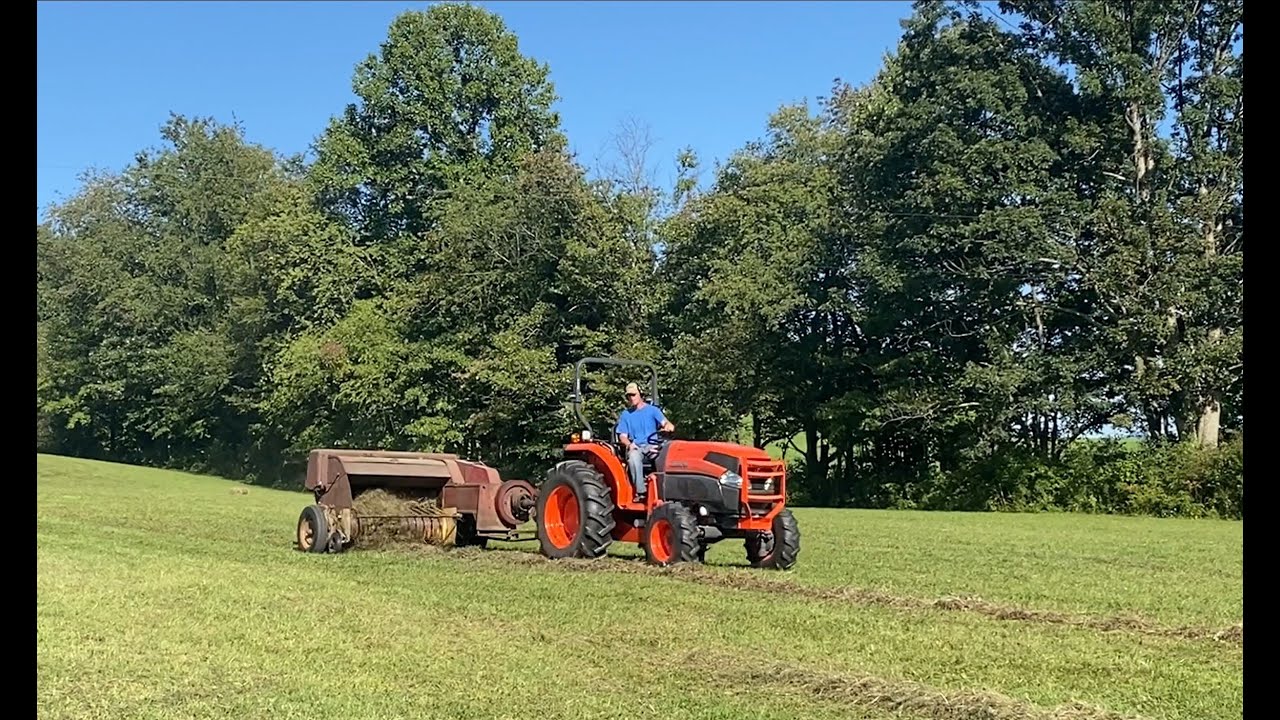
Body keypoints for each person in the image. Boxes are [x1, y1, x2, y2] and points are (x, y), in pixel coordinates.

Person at [614, 381, 674, 502]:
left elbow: (666, 423)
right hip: (638, 447)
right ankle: (641, 492)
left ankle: (667, 490)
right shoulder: (626, 415)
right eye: (628, 396)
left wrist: (668, 426)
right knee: (633, 456)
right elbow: (623, 436)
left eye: (633, 394)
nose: (631, 398)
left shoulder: (653, 410)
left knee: (668, 455)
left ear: (640, 394)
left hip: (653, 445)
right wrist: (629, 445)